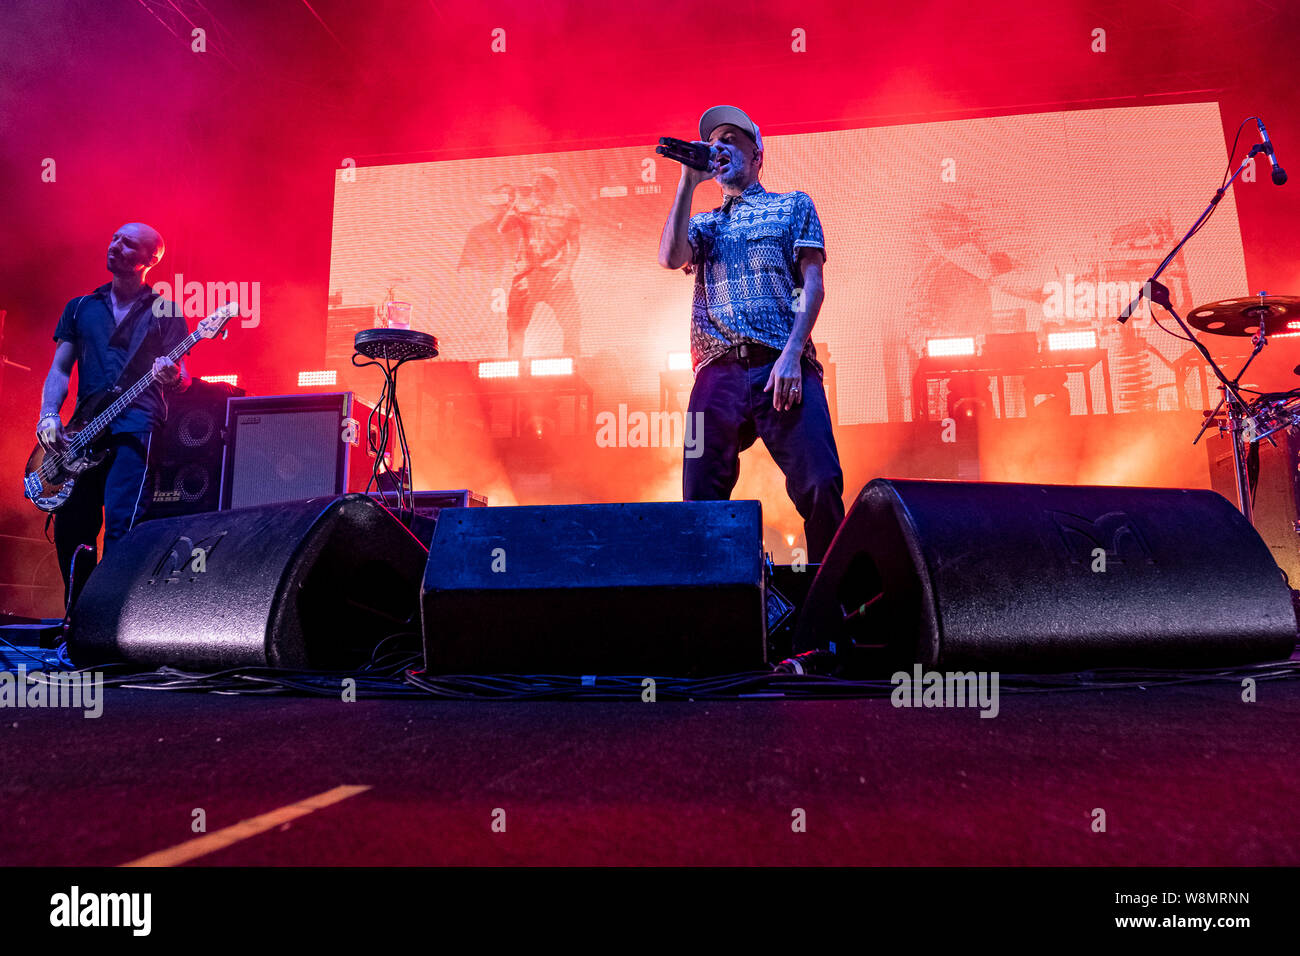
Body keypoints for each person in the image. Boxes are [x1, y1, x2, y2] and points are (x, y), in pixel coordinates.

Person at [658, 105, 845, 562]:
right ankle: (711, 612)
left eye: (730, 138)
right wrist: (688, 179)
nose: (718, 146)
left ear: (757, 153)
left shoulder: (792, 205)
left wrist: (792, 354)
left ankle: (834, 614)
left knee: (820, 484)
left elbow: (813, 285)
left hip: (782, 364)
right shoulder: (704, 224)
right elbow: (668, 256)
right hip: (716, 374)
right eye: (712, 140)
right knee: (699, 497)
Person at [37, 222, 190, 606]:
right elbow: (60, 368)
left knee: (123, 525)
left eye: (128, 243)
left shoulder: (164, 311)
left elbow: (183, 376)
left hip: (136, 424)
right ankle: (76, 617)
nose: (115, 246)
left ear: (150, 259)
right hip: (84, 428)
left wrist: (173, 378)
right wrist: (48, 414)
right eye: (114, 238)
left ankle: (111, 618)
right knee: (73, 524)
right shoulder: (81, 307)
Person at [497, 167, 582, 360]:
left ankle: (573, 361)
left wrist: (567, 271)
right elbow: (503, 229)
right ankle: (514, 364)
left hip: (555, 274)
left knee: (572, 321)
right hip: (526, 275)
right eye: (534, 184)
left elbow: (575, 244)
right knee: (516, 323)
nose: (536, 188)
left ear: (551, 187)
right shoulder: (525, 209)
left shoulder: (567, 211)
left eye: (540, 184)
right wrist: (516, 203)